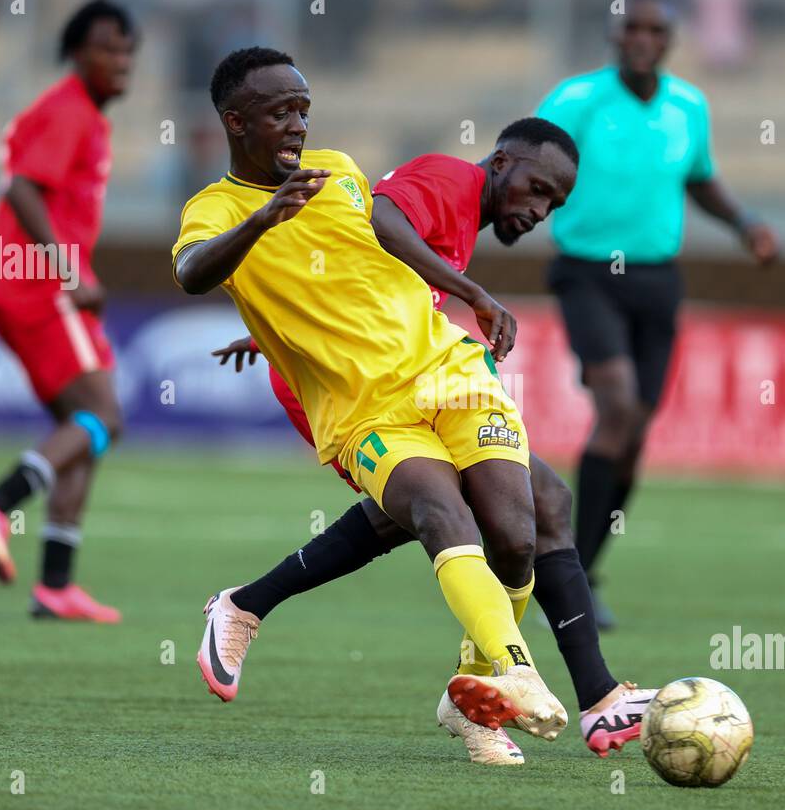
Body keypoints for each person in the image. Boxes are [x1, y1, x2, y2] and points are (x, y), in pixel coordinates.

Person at [210, 119, 656, 764]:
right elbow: (383, 223)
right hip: (353, 391)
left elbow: (366, 282)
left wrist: (280, 326)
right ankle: (573, 694)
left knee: (522, 508)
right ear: (500, 162)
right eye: (535, 189)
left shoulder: (461, 218)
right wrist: (472, 294)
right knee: (449, 508)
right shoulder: (449, 178)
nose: (537, 210)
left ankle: (551, 694)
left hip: (410, 373)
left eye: (552, 205)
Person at [172, 47, 566, 742]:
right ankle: (516, 671)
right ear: (236, 123)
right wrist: (263, 223)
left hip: (449, 371)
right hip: (365, 410)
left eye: (303, 111)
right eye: (278, 113)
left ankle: (472, 697)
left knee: (517, 535)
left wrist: (469, 297)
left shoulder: (343, 174)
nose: (296, 125)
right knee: (439, 512)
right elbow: (191, 273)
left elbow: (363, 276)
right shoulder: (215, 209)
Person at [537, 0, 778, 628]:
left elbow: (699, 178)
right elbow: (527, 159)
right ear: (615, 36)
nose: (641, 38)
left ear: (669, 40)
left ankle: (583, 568)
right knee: (615, 407)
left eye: (654, 30)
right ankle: (572, 583)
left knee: (635, 433)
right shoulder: (577, 101)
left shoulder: (687, 106)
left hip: (657, 279)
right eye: (631, 28)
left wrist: (745, 223)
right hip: (587, 272)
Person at [0, 0, 137, 623]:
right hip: (37, 283)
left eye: (128, 49)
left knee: (83, 433)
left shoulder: (75, 113)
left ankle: (56, 585)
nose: (122, 60)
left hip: (17, 281)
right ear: (77, 52)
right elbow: (23, 187)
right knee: (104, 417)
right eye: (109, 47)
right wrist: (68, 272)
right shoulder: (70, 110)